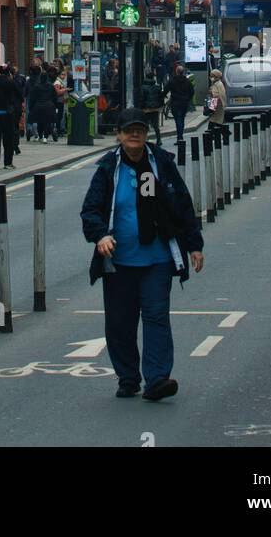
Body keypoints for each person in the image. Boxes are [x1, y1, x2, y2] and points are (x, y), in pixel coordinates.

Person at [80, 108, 204, 401]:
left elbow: (181, 204)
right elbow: (91, 209)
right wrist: (100, 236)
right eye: (129, 130)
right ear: (119, 135)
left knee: (156, 316)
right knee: (120, 323)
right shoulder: (109, 168)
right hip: (119, 262)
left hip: (157, 259)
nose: (135, 135)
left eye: (140, 130)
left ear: (147, 134)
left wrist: (194, 244)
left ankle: (157, 378)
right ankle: (128, 377)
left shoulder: (160, 163)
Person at [29, 72, 59, 143]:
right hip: (49, 106)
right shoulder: (51, 86)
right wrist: (55, 106)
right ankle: (45, 137)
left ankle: (40, 136)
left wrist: (31, 107)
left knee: (39, 122)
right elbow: (54, 97)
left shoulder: (37, 86)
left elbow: (33, 98)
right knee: (47, 122)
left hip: (38, 106)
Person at [167, 62, 194, 141]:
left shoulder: (172, 81)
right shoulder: (187, 81)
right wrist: (187, 99)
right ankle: (180, 136)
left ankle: (180, 137)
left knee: (178, 120)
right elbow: (192, 91)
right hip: (184, 103)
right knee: (181, 119)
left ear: (176, 72)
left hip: (175, 103)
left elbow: (165, 90)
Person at [138, 68, 164, 145]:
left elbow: (142, 99)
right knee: (156, 126)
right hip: (155, 109)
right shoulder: (157, 87)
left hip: (146, 109)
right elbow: (160, 97)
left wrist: (140, 107)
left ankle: (144, 140)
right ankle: (159, 139)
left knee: (145, 125)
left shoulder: (143, 87)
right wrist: (160, 106)